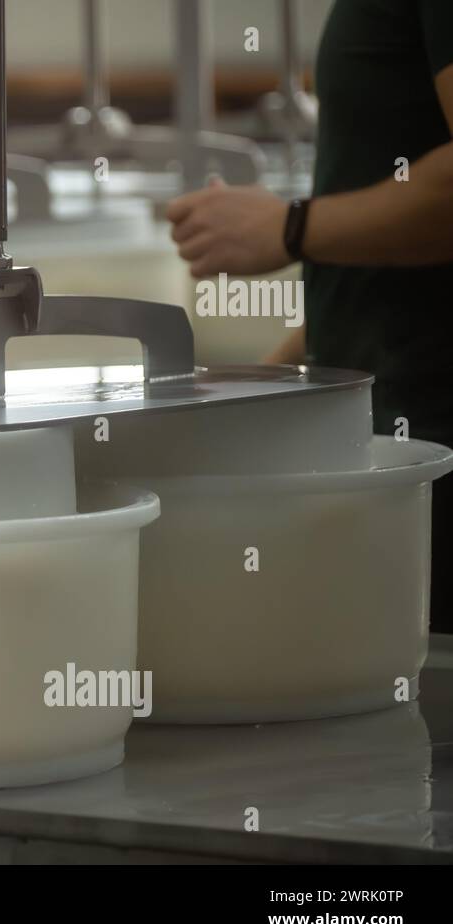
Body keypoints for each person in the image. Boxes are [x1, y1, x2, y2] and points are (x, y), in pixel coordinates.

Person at [165, 0, 453, 630]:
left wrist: (290, 228)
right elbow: (389, 268)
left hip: (432, 451)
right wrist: (270, 381)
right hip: (381, 434)